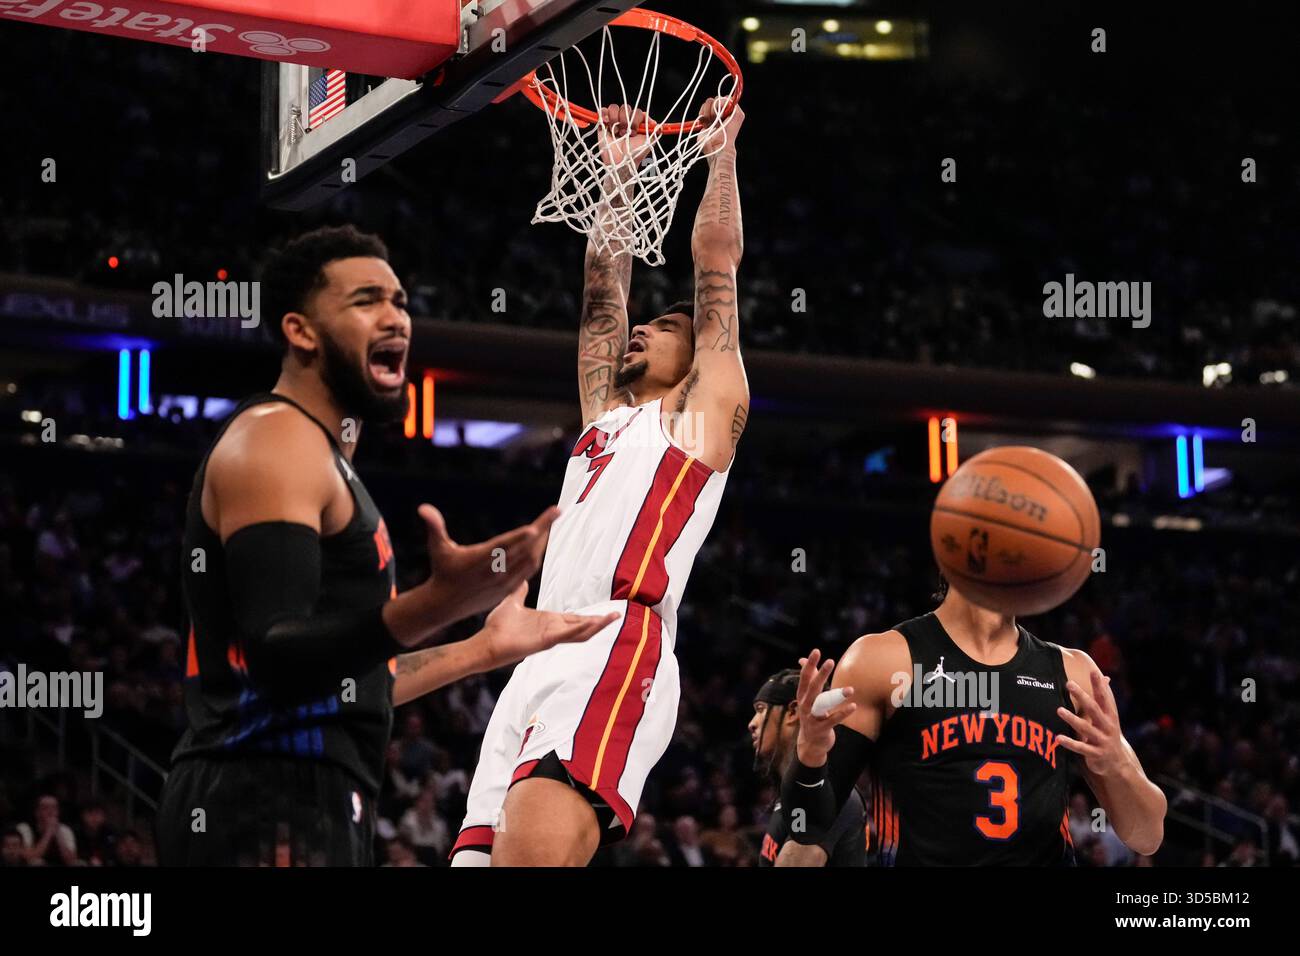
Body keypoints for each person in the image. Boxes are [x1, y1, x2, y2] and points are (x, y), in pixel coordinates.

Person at [156, 226, 616, 867]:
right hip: (259, 799)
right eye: (366, 300)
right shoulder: (275, 439)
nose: (396, 316)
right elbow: (276, 658)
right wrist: (436, 603)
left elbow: (344, 681)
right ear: (301, 331)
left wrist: (481, 647)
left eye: (400, 300)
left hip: (298, 799)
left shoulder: (319, 455)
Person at [453, 97, 749, 866]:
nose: (643, 329)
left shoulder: (697, 421)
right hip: (539, 650)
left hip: (616, 641)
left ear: (697, 364)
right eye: (645, 324)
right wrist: (618, 177)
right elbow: (600, 300)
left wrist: (719, 156)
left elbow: (716, 265)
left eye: (669, 329)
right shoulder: (603, 417)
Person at [780, 580, 1167, 865]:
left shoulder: (1074, 671)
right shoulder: (883, 659)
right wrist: (810, 752)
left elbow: (1147, 835)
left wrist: (1116, 764)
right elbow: (807, 826)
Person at [748, 669, 866, 866]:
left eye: (761, 709)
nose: (751, 724)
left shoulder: (829, 794)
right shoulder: (790, 796)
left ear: (793, 712)